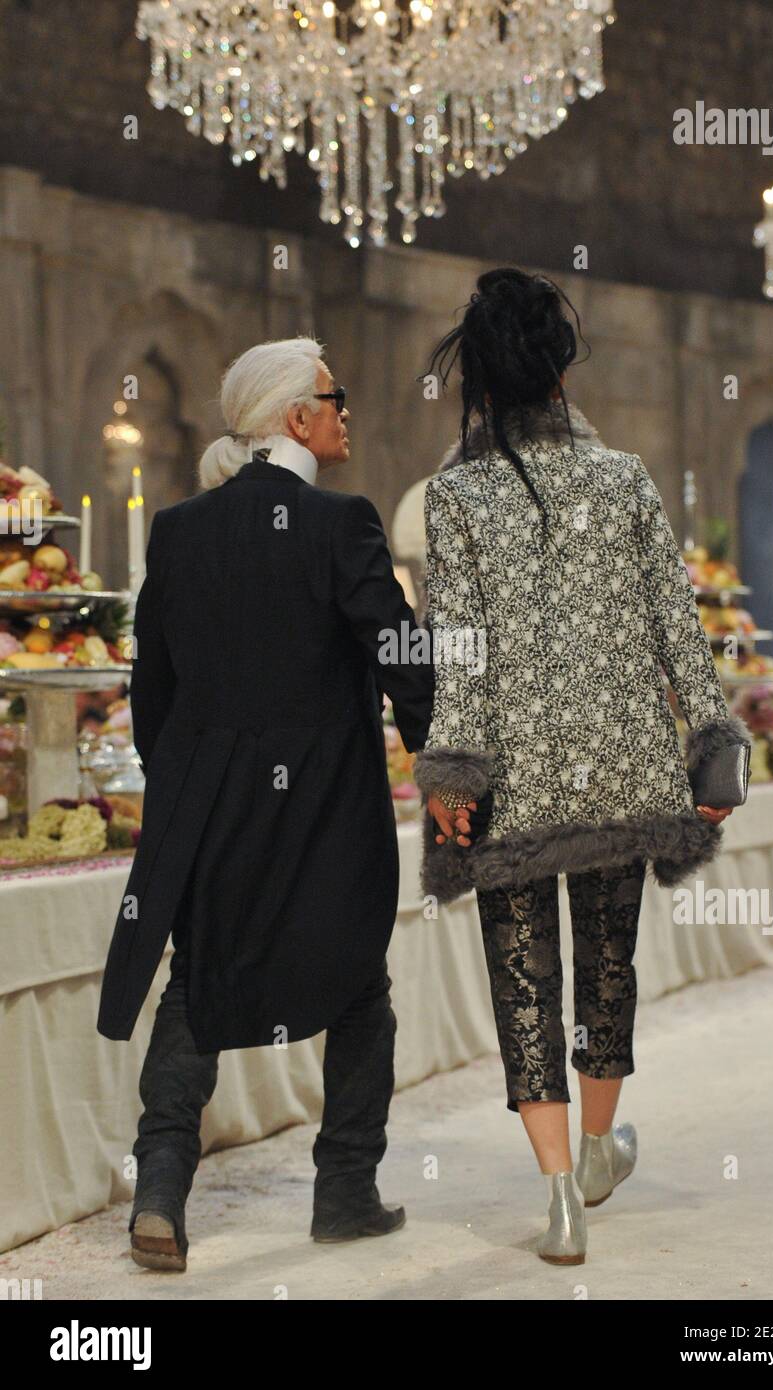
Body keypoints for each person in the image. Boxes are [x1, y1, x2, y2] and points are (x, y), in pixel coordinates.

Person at [414, 268, 750, 1266]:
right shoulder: (625, 479)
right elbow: (678, 631)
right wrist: (712, 748)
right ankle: (601, 1149)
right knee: (609, 965)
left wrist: (451, 777)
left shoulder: (455, 495)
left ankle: (561, 1197)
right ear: (561, 372)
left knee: (523, 981)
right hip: (622, 770)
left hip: (511, 776)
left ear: (480, 383)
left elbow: (458, 650)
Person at [97, 337, 454, 1270]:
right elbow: (398, 653)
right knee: (358, 989)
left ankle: (160, 1194)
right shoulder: (343, 523)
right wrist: (439, 759)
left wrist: (186, 781)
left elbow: (151, 689)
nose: (347, 414)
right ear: (298, 417)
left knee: (198, 983)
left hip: (209, 800)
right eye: (337, 398)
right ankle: (345, 1193)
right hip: (325, 805)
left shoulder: (178, 530)